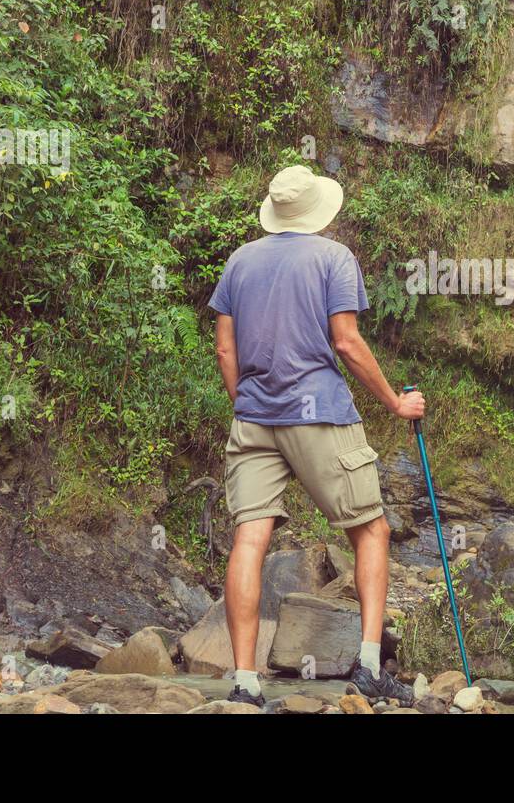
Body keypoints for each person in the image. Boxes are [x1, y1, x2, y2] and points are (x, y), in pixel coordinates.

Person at [208, 164, 425, 707]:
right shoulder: (333, 258)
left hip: (254, 417)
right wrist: (396, 403)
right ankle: (370, 666)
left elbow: (224, 351)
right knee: (371, 530)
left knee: (250, 540)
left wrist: (249, 405)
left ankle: (244, 681)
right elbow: (347, 343)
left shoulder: (239, 261)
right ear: (317, 212)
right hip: (319, 412)